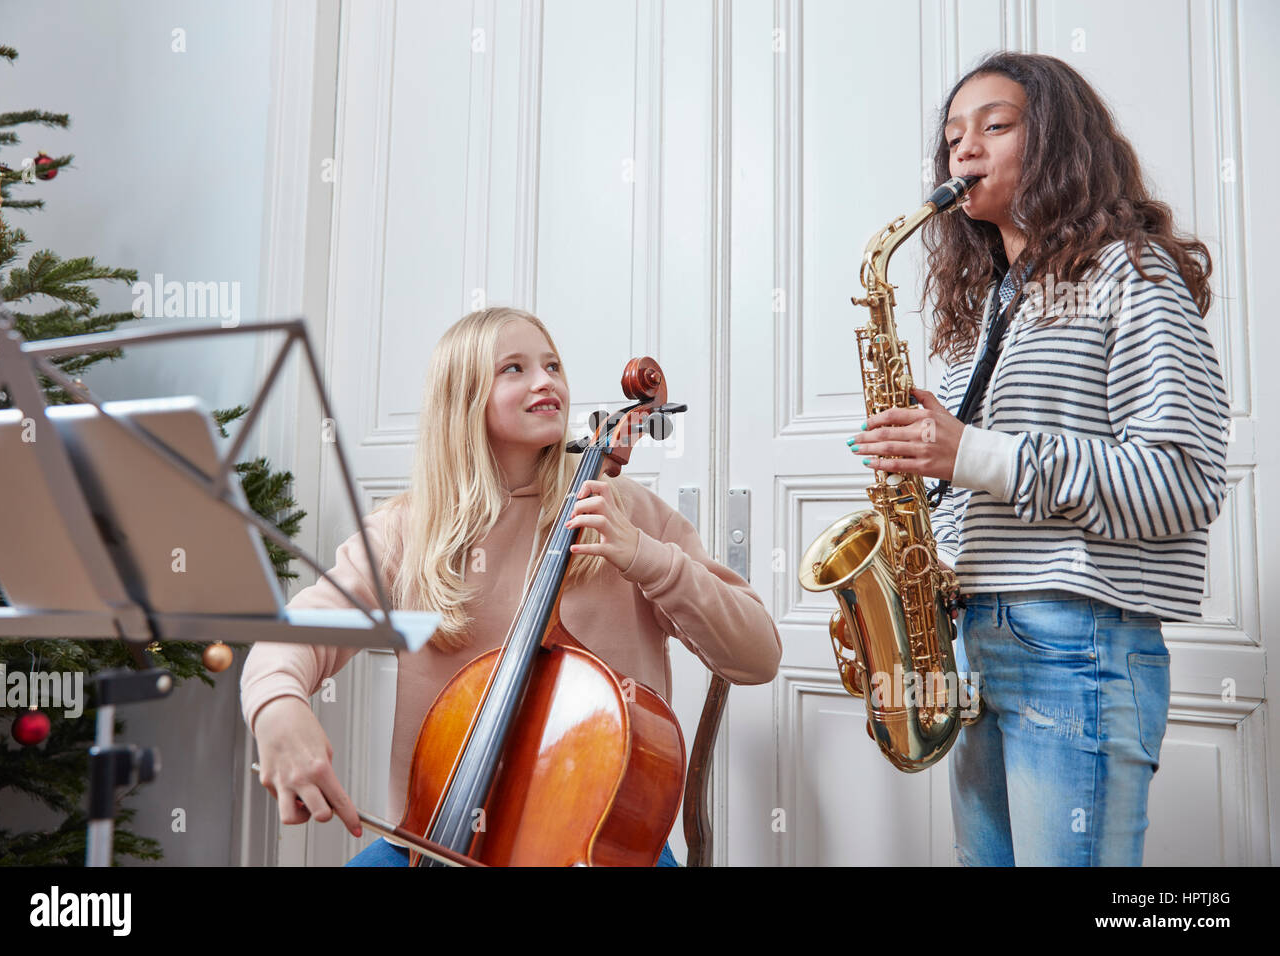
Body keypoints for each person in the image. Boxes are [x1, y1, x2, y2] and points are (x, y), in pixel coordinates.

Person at [847, 52, 1228, 866]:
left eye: (995, 125)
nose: (965, 150)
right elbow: (979, 476)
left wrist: (972, 450)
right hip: (976, 639)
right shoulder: (988, 303)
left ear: (1057, 141)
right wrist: (927, 489)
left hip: (1076, 641)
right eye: (953, 137)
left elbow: (1184, 482)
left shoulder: (1131, 271)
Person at [241, 307, 783, 867]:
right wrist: (279, 709)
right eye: (514, 369)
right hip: (438, 843)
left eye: (552, 365)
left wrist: (648, 559)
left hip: (594, 846)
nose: (545, 380)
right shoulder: (408, 529)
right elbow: (297, 633)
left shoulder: (624, 514)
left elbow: (757, 655)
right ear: (464, 398)